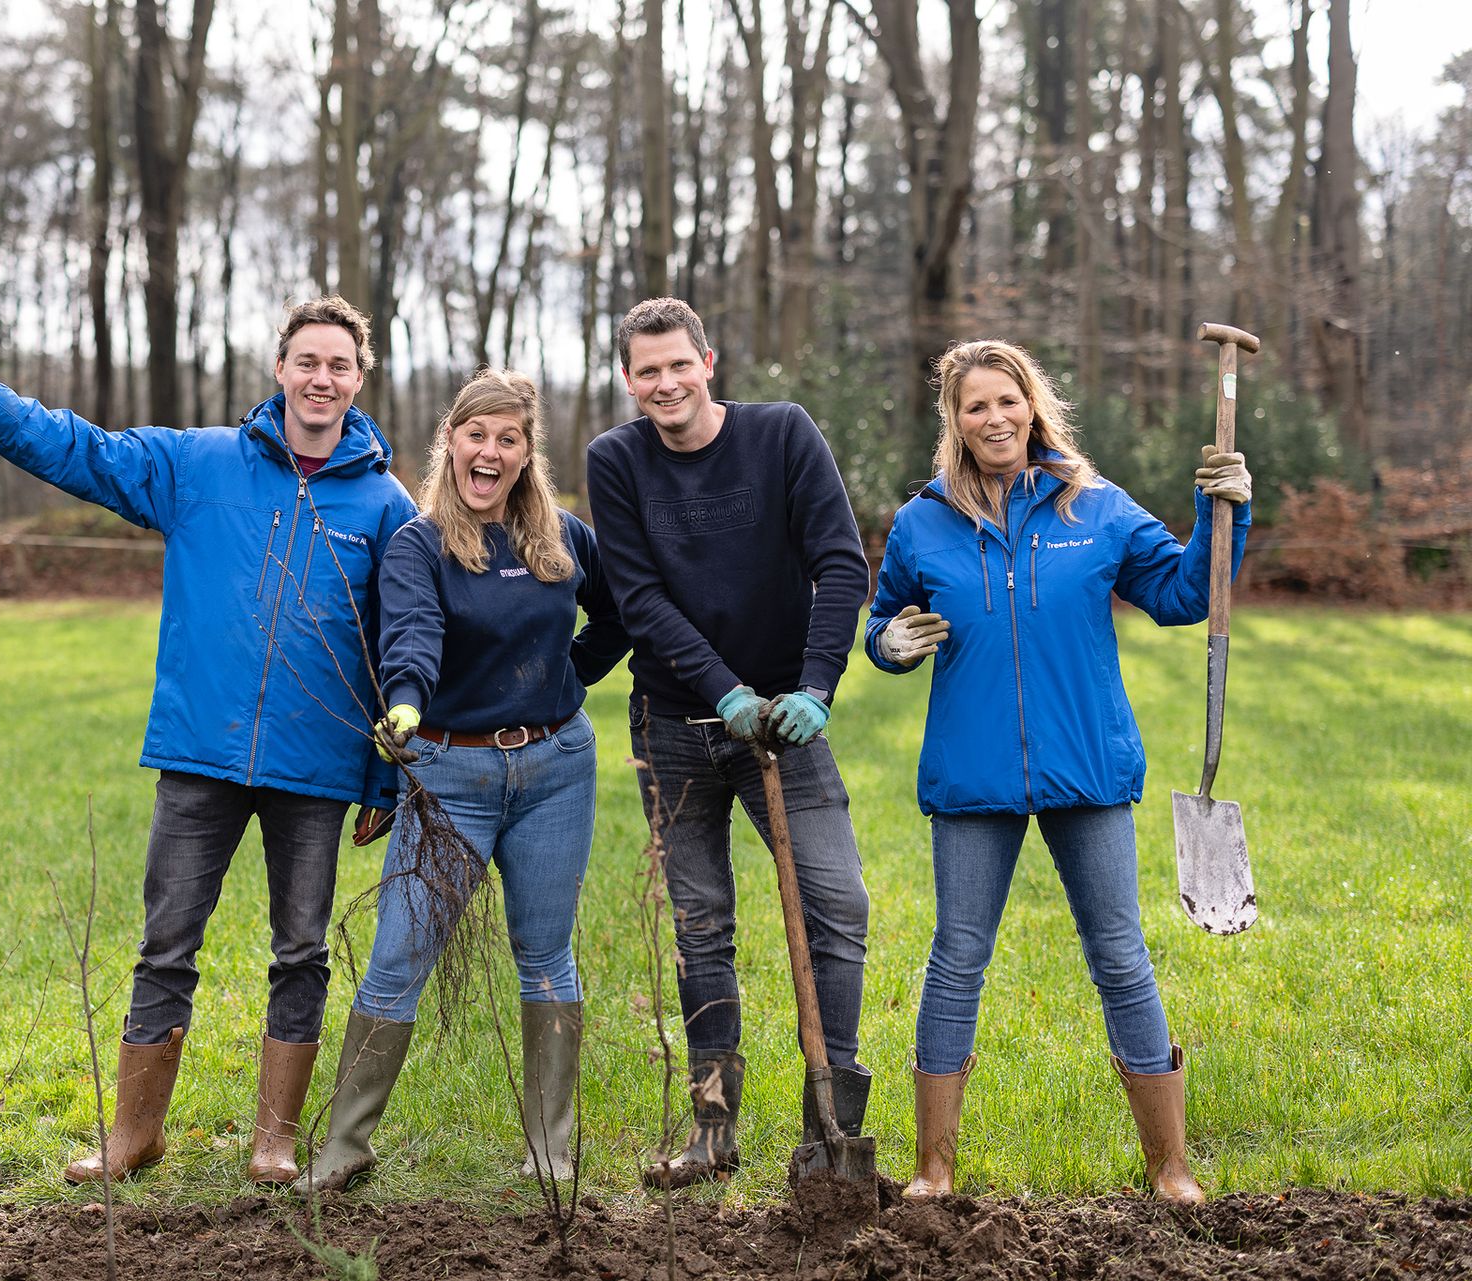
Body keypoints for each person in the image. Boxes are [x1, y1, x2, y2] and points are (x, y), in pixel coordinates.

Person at [0, 296, 419, 1187]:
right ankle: (134, 1135)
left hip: (315, 769)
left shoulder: (386, 503)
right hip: (201, 754)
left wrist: (384, 781)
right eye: (307, 360)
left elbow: (403, 645)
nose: (322, 378)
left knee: (301, 949)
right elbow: (79, 449)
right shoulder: (198, 463)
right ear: (280, 369)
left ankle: (273, 1140)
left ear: (360, 377)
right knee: (166, 947)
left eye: (340, 365)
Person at [865, 338, 1253, 1206]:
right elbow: (885, 620)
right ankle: (934, 1170)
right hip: (973, 776)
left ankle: (1171, 1167)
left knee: (1120, 957)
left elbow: (1185, 594)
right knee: (956, 958)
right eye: (976, 406)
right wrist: (887, 643)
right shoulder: (923, 519)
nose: (995, 418)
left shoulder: (1098, 506)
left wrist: (1223, 510)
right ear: (955, 422)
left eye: (1008, 400)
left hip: (1088, 769)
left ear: (1033, 404)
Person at [303, 368, 629, 1191]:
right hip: (451, 773)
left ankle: (551, 1149)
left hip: (557, 768)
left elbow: (617, 618)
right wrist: (406, 707)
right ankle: (343, 1147)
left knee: (546, 953)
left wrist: (569, 676)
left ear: (526, 453)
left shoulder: (561, 536)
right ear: (452, 440)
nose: (489, 451)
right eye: (476, 434)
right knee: (398, 955)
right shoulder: (420, 543)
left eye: (507, 438)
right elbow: (411, 634)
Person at [584, 297, 874, 1189]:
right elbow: (638, 601)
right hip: (673, 726)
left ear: (708, 362)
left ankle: (831, 1127)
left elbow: (840, 563)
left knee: (839, 905)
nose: (665, 384)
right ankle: (713, 1128)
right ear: (628, 380)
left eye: (679, 365)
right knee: (702, 925)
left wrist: (813, 690)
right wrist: (724, 691)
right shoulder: (616, 461)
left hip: (786, 727)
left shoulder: (782, 435)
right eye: (647, 371)